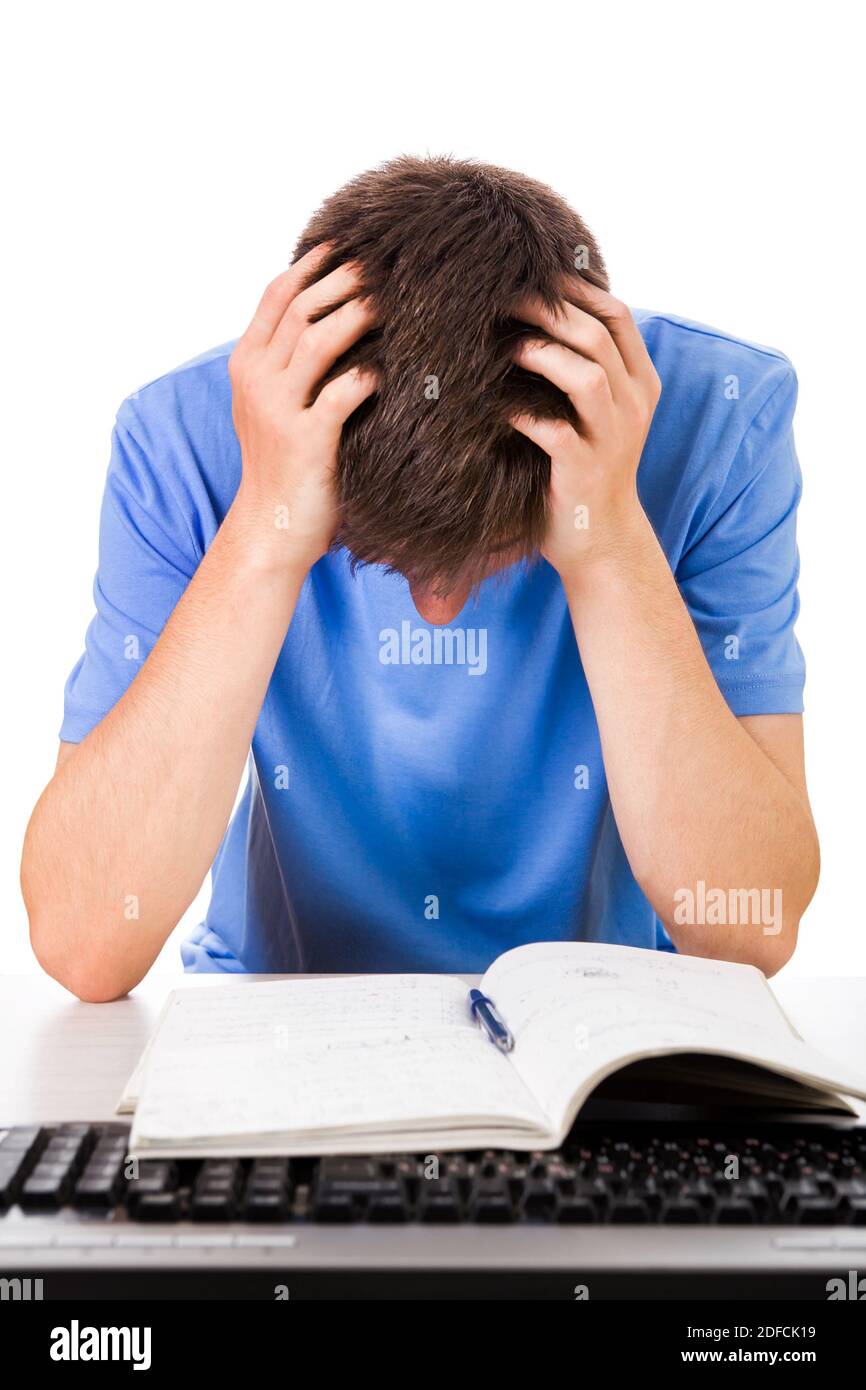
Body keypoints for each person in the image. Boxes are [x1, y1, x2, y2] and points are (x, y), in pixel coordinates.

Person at [21, 158, 818, 1000]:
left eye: (493, 556)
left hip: (609, 1027)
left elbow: (749, 929)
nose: (438, 613)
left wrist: (608, 539)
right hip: (272, 1017)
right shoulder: (181, 435)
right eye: (389, 562)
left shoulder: (721, 416)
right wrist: (266, 529)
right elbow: (85, 943)